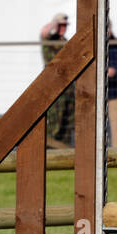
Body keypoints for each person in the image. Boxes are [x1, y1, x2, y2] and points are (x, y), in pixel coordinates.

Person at [39, 12, 74, 145]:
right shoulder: (49, 39)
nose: (63, 28)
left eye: (65, 25)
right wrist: (55, 22)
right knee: (55, 122)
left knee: (68, 122)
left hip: (68, 87)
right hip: (54, 85)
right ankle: (49, 151)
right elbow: (43, 32)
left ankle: (63, 153)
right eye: (61, 25)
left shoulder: (66, 41)